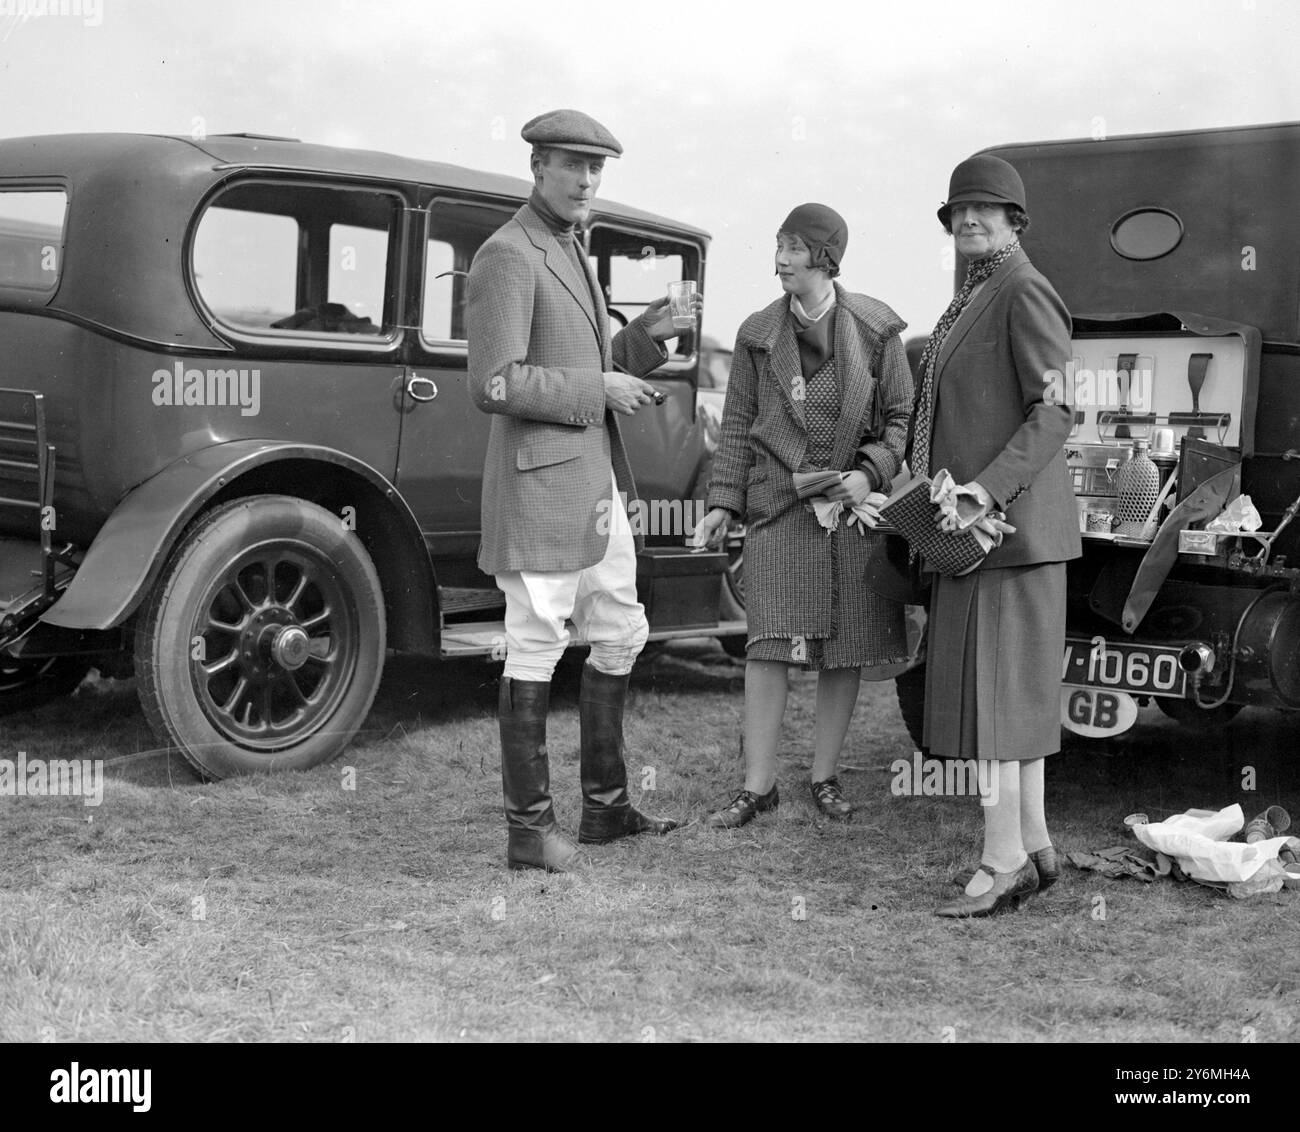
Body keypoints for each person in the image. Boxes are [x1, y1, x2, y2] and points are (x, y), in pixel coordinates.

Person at [466, 109, 696, 872]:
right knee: (536, 643)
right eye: (572, 165)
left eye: (597, 168)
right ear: (537, 167)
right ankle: (529, 832)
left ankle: (605, 810)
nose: (588, 180)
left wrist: (645, 340)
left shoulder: (570, 247)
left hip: (593, 489)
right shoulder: (508, 253)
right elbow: (495, 382)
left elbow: (583, 360)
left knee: (623, 631)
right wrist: (597, 384)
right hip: (542, 489)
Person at [693, 204, 912, 826]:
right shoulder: (758, 334)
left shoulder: (877, 330)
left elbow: (900, 418)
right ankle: (757, 788)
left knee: (843, 646)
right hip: (779, 507)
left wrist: (867, 473)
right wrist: (720, 504)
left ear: (825, 257)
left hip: (851, 510)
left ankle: (825, 777)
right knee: (767, 644)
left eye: (794, 248)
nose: (781, 259)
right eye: (779, 246)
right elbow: (736, 426)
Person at [909, 154, 1081, 917]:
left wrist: (984, 489)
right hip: (980, 534)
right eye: (959, 211)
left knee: (995, 707)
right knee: (1008, 702)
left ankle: (1001, 858)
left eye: (987, 210)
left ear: (1016, 221)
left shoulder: (1022, 289)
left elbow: (1058, 409)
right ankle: (1034, 843)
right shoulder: (976, 291)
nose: (970, 221)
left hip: (1009, 531)